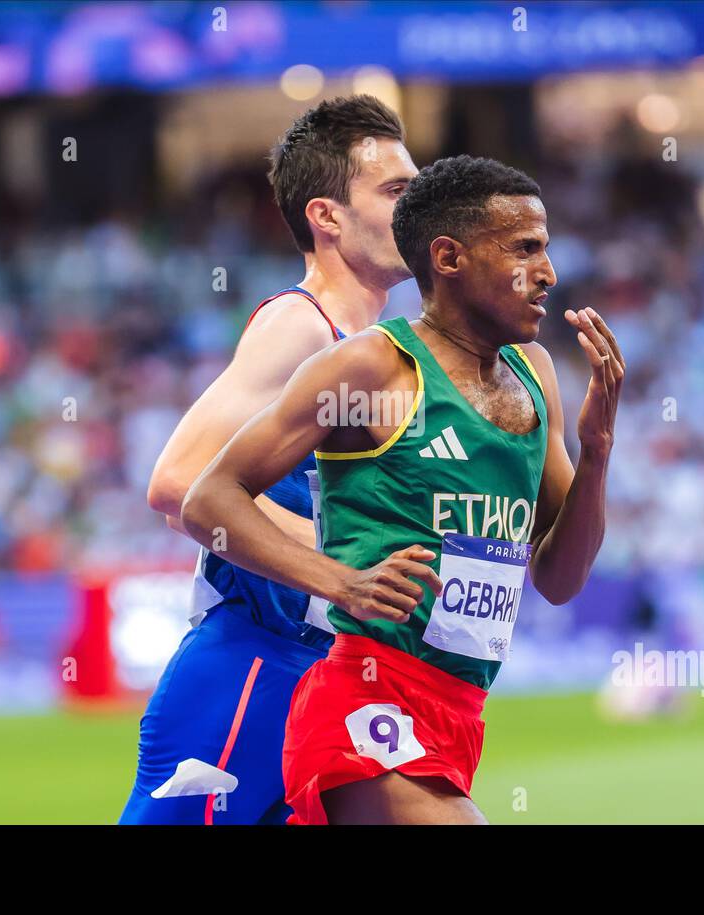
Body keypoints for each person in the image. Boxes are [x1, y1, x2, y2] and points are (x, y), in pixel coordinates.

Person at [181, 155, 625, 824]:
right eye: (525, 249)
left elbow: (561, 577)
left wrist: (595, 452)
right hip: (363, 701)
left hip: (460, 714)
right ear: (449, 257)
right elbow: (208, 498)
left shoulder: (534, 374)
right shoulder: (372, 368)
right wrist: (338, 581)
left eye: (547, 249)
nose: (549, 273)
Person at [119, 96, 419, 824]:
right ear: (327, 217)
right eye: (397, 192)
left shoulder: (375, 348)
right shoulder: (300, 327)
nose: (421, 209)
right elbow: (177, 484)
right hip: (254, 661)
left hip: (324, 671)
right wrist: (343, 564)